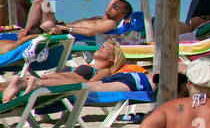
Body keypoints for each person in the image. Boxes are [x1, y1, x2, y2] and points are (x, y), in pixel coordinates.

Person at [0, 38, 140, 102]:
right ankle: (17, 84)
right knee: (4, 86)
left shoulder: (106, 71)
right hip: (49, 80)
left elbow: (90, 85)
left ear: (112, 59)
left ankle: (22, 84)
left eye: (106, 48)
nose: (101, 47)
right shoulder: (89, 65)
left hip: (64, 84)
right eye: (102, 45)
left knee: (21, 83)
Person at [17, 0, 132, 45]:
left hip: (65, 33)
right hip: (61, 26)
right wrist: (62, 25)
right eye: (112, 5)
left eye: (115, 7)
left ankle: (27, 35)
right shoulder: (103, 17)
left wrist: (65, 28)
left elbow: (89, 32)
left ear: (122, 15)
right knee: (42, 0)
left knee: (48, 24)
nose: (111, 7)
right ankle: (27, 30)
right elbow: (115, 0)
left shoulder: (111, 23)